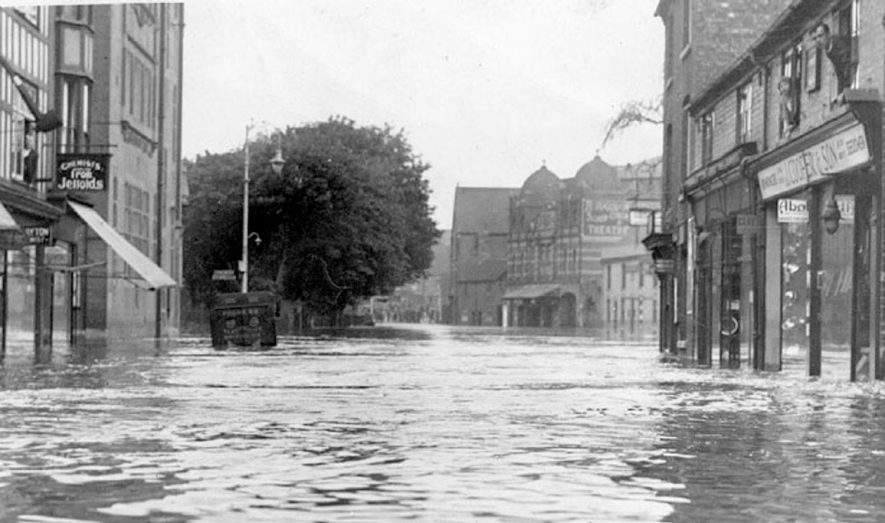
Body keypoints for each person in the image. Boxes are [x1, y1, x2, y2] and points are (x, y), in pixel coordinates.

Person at [813, 22, 854, 93]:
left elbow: (847, 66)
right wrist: (840, 93)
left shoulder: (838, 44)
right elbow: (839, 72)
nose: (818, 40)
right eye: (815, 38)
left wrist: (846, 90)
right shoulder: (828, 50)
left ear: (828, 34)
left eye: (820, 36)